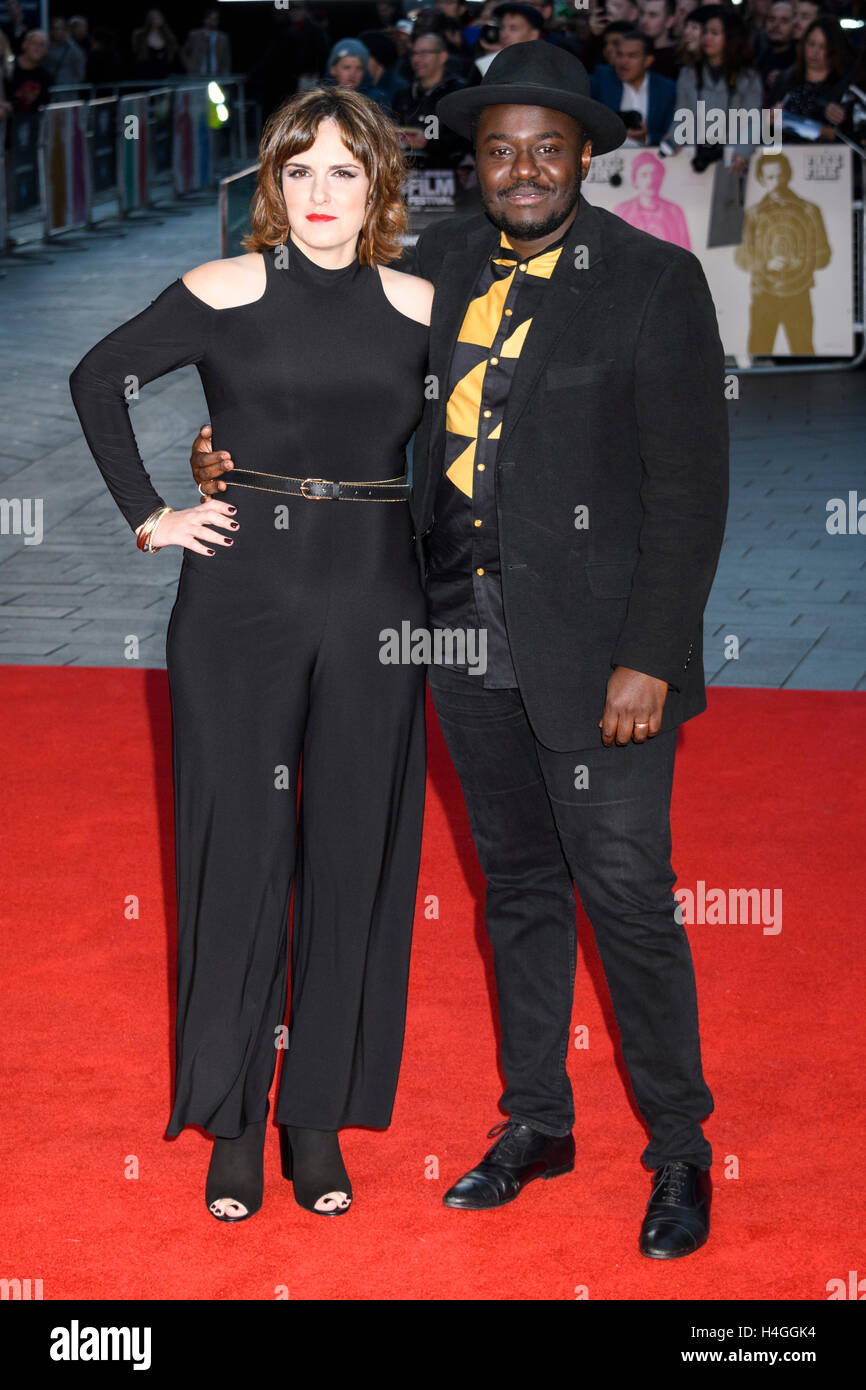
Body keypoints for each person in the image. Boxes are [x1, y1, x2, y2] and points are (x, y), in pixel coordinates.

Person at [192, 39, 729, 1258]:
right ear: (473, 164)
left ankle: (682, 1147)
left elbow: (690, 491)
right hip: (454, 632)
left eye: (547, 150)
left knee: (627, 896)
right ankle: (537, 1120)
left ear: (584, 158)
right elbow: (328, 380)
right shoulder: (430, 261)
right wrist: (224, 452)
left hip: (602, 657)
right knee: (517, 890)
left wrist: (649, 653)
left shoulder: (651, 281)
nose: (523, 169)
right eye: (500, 151)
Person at [69, 87, 434, 1225]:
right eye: (298, 171)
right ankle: (229, 1121)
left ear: (377, 185)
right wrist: (153, 515)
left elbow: (470, 444)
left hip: (377, 596)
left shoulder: (424, 302)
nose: (320, 194)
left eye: (342, 171)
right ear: (270, 185)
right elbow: (96, 379)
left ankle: (312, 1118)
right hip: (239, 600)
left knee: (350, 858)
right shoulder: (222, 291)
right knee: (236, 854)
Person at [734, 150, 830, 353]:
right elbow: (741, 257)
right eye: (770, 177)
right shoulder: (753, 214)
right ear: (761, 179)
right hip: (763, 295)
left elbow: (824, 255)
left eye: (780, 175)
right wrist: (765, 263)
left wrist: (799, 261)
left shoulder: (809, 210)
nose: (776, 182)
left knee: (803, 352)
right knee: (759, 353)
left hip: (798, 294)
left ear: (788, 174)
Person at [663, 5, 763, 176]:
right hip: (693, 159)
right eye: (706, 32)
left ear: (731, 38)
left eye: (715, 33)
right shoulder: (688, 73)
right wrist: (673, 139)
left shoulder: (749, 78)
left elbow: (753, 121)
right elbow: (682, 115)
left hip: (734, 160)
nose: (707, 38)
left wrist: (742, 152)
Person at [590, 29, 677, 146]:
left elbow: (673, 134)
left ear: (648, 60)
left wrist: (646, 138)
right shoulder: (602, 80)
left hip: (651, 160)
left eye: (632, 56)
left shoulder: (666, 89)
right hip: (607, 157)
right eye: (620, 55)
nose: (623, 62)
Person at [768, 15, 851, 135]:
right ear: (803, 44)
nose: (815, 52)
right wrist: (769, 119)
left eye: (823, 47)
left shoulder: (845, 88)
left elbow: (850, 136)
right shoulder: (784, 80)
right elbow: (761, 125)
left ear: (833, 50)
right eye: (811, 44)